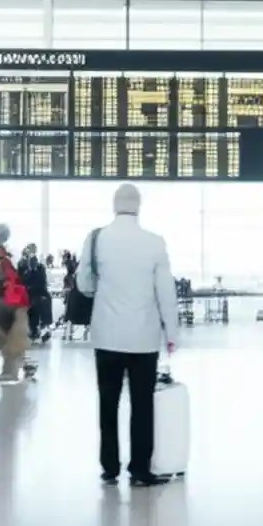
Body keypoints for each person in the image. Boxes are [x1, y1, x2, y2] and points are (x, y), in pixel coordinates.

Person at [76, 184, 178, 488]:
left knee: (108, 402)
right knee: (142, 404)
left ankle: (109, 468)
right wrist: (171, 333)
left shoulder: (97, 240)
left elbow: (84, 284)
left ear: (114, 206)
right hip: (143, 338)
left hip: (107, 335)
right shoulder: (154, 242)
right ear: (139, 206)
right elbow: (166, 293)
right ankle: (140, 469)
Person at [0, 224, 29, 384]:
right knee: (13, 336)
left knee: (5, 336)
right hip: (16, 298)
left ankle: (10, 371)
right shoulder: (13, 253)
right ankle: (19, 366)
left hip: (4, 299)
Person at [18, 244, 51, 341]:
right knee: (33, 304)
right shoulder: (23, 269)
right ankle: (34, 328)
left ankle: (43, 326)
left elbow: (42, 283)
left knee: (42, 303)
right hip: (28, 293)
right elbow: (22, 283)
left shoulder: (40, 269)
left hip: (39, 293)